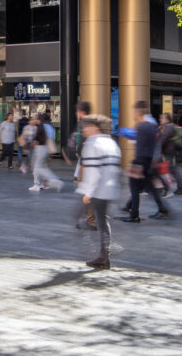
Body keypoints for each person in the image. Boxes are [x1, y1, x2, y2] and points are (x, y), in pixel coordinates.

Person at [77, 114, 122, 269]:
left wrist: (88, 193)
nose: (83, 130)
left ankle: (105, 254)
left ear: (94, 128)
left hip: (98, 190)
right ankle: (104, 254)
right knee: (102, 221)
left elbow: (93, 171)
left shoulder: (91, 143)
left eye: (85, 127)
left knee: (95, 220)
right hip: (110, 188)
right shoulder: (110, 142)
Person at [124, 101, 169, 222]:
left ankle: (134, 215)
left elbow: (140, 147)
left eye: (134, 111)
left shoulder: (141, 126)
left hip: (140, 160)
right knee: (150, 187)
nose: (133, 114)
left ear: (138, 112)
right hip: (149, 161)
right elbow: (154, 144)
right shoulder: (151, 126)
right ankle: (162, 208)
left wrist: (135, 164)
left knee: (134, 187)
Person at [27, 114, 63, 193]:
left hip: (40, 148)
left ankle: (52, 181)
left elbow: (40, 138)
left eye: (38, 119)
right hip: (47, 149)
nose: (36, 120)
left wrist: (35, 142)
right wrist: (50, 154)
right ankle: (45, 185)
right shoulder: (50, 127)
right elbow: (51, 139)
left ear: (41, 120)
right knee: (42, 167)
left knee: (37, 168)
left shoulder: (42, 126)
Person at [157, 113, 182, 196]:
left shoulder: (168, 127)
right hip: (168, 151)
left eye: (162, 118)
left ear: (167, 119)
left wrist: (158, 146)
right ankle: (163, 187)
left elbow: (164, 138)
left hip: (169, 151)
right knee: (166, 168)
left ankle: (180, 188)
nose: (160, 120)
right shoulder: (168, 126)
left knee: (173, 169)